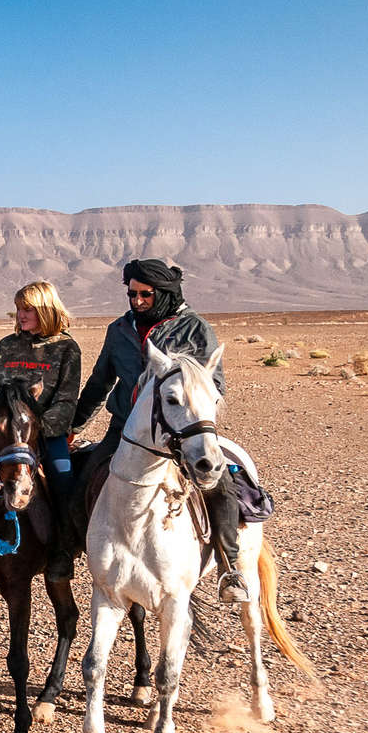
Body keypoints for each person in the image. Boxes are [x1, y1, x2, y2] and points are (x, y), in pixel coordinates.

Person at [70, 258, 247, 602]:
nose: (136, 301)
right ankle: (72, 553)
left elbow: (216, 385)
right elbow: (99, 383)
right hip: (127, 430)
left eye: (145, 295)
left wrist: (186, 420)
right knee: (85, 479)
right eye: (131, 294)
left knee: (219, 484)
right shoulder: (119, 329)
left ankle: (230, 566)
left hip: (180, 433)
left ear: (163, 293)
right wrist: (75, 425)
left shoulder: (194, 329)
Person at [0, 281, 83, 578]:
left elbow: (66, 400)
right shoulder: (6, 346)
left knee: (63, 479)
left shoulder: (66, 348)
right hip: (4, 437)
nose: (21, 316)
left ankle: (62, 551)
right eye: (19, 309)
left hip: (45, 435)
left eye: (28, 310)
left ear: (46, 311)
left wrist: (35, 431)